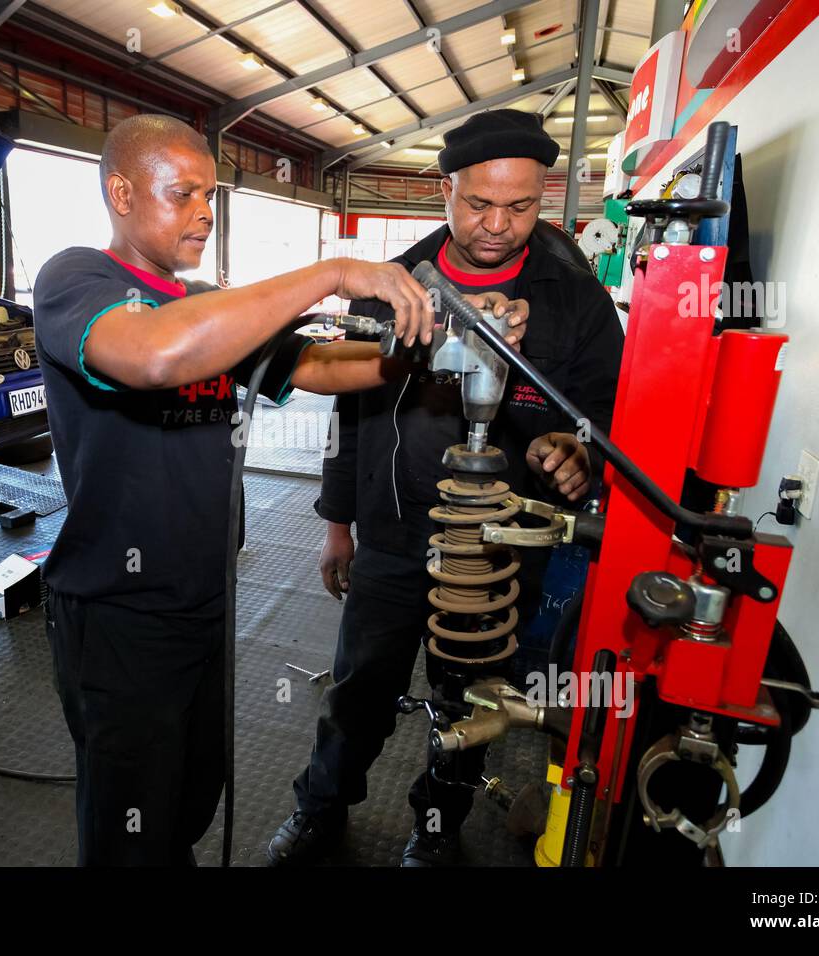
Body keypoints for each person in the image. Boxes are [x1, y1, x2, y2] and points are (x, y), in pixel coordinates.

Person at [32, 114, 525, 866]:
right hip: (118, 609)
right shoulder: (76, 278)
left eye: (212, 194)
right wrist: (328, 272)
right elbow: (155, 354)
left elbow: (324, 369)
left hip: (204, 598)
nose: (204, 210)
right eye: (184, 192)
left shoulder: (205, 308)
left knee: (189, 799)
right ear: (121, 193)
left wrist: (441, 344)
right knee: (128, 826)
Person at [268, 109, 625, 867]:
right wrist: (338, 524)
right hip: (395, 533)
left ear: (544, 196)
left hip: (497, 546)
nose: (497, 224)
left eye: (521, 206)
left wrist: (577, 448)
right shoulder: (392, 286)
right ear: (446, 190)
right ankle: (320, 811)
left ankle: (437, 829)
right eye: (477, 202)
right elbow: (351, 414)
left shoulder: (575, 302)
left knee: (472, 704)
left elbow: (605, 411)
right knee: (359, 691)